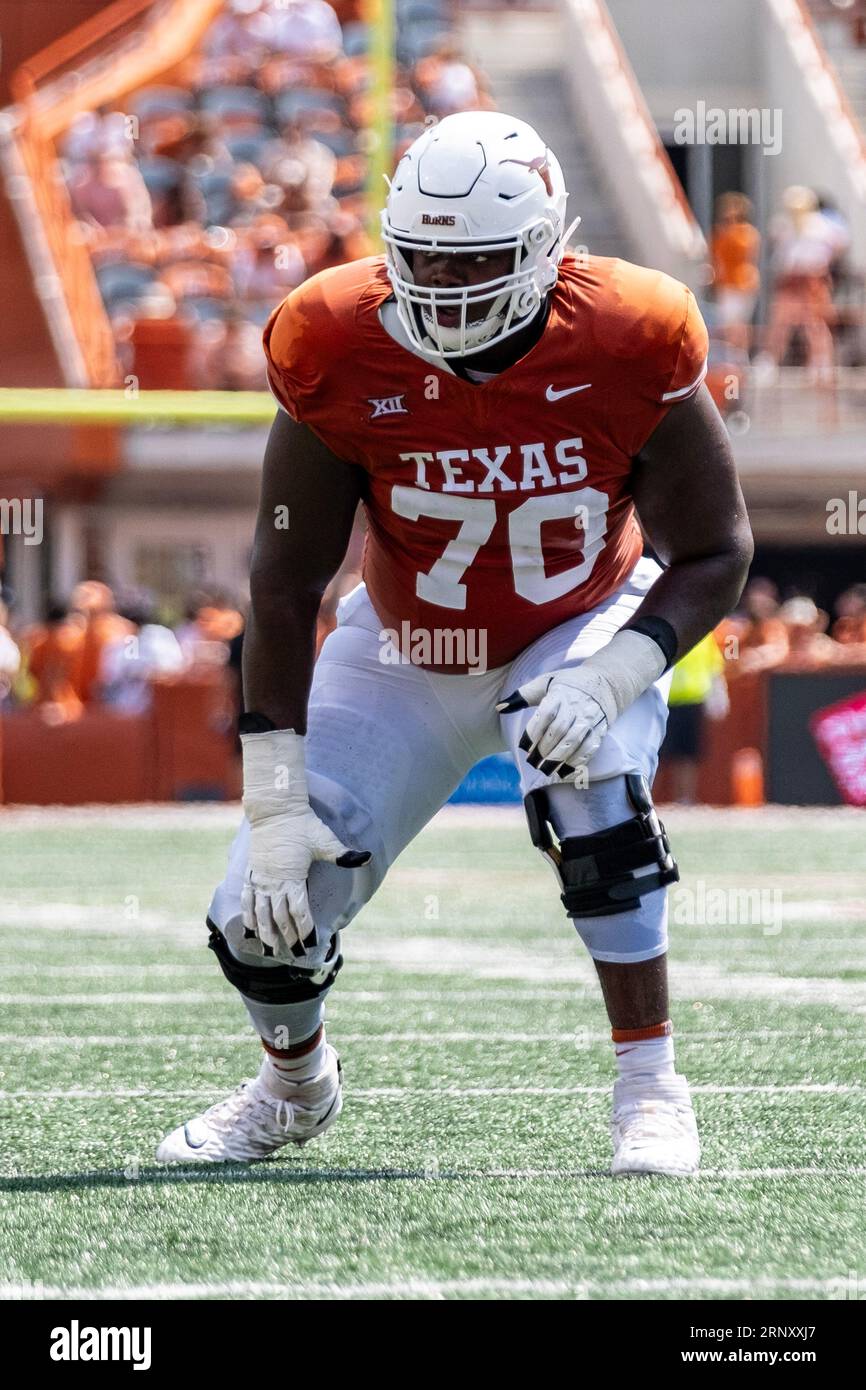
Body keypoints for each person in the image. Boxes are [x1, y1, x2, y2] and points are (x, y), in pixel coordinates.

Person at [156, 112, 753, 1177]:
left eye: (473, 257)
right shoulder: (333, 337)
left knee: (591, 785)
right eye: (421, 252)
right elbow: (285, 583)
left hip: (574, 621)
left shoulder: (629, 333)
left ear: (544, 247)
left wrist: (619, 667)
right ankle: (293, 1089)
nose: (442, 280)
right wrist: (275, 800)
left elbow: (714, 548)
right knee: (259, 909)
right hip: (399, 646)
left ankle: (650, 1087)